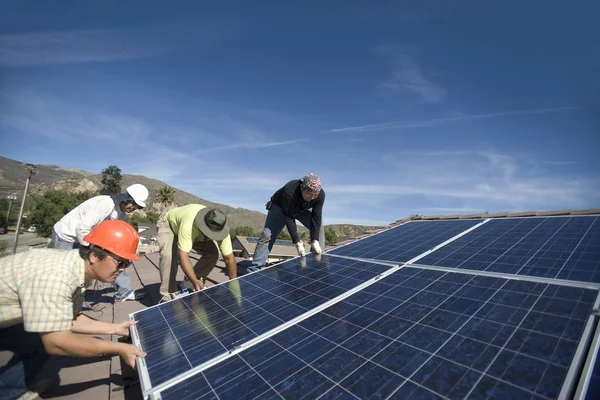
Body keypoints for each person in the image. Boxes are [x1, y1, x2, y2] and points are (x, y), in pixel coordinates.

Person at [0, 220, 147, 400]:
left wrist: (115, 328)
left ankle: (11, 390)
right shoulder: (56, 277)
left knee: (40, 333)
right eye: (120, 262)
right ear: (94, 255)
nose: (123, 269)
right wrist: (119, 348)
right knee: (40, 340)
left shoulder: (77, 268)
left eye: (128, 264)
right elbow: (57, 342)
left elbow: (67, 318)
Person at [50, 184, 149, 302]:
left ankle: (124, 292)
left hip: (84, 237)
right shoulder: (105, 204)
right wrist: (91, 250)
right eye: (134, 204)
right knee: (66, 272)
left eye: (138, 207)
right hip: (66, 236)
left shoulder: (120, 214)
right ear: (126, 199)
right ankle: (61, 301)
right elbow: (82, 228)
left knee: (115, 258)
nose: (135, 209)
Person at [157, 204, 238, 300]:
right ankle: (167, 297)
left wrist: (234, 284)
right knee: (168, 256)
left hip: (196, 233)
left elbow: (229, 258)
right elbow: (183, 255)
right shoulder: (190, 225)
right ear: (204, 227)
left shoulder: (222, 230)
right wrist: (195, 281)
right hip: (169, 224)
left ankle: (189, 282)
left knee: (213, 253)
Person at [250, 173, 325, 270]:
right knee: (267, 235)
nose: (312, 198)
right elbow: (289, 218)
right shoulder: (290, 190)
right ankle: (255, 268)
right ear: (303, 188)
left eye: (315, 195)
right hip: (280, 207)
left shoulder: (319, 195)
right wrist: (297, 241)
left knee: (318, 228)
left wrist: (315, 240)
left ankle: (315, 264)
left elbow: (316, 218)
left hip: (300, 208)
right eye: (310, 195)